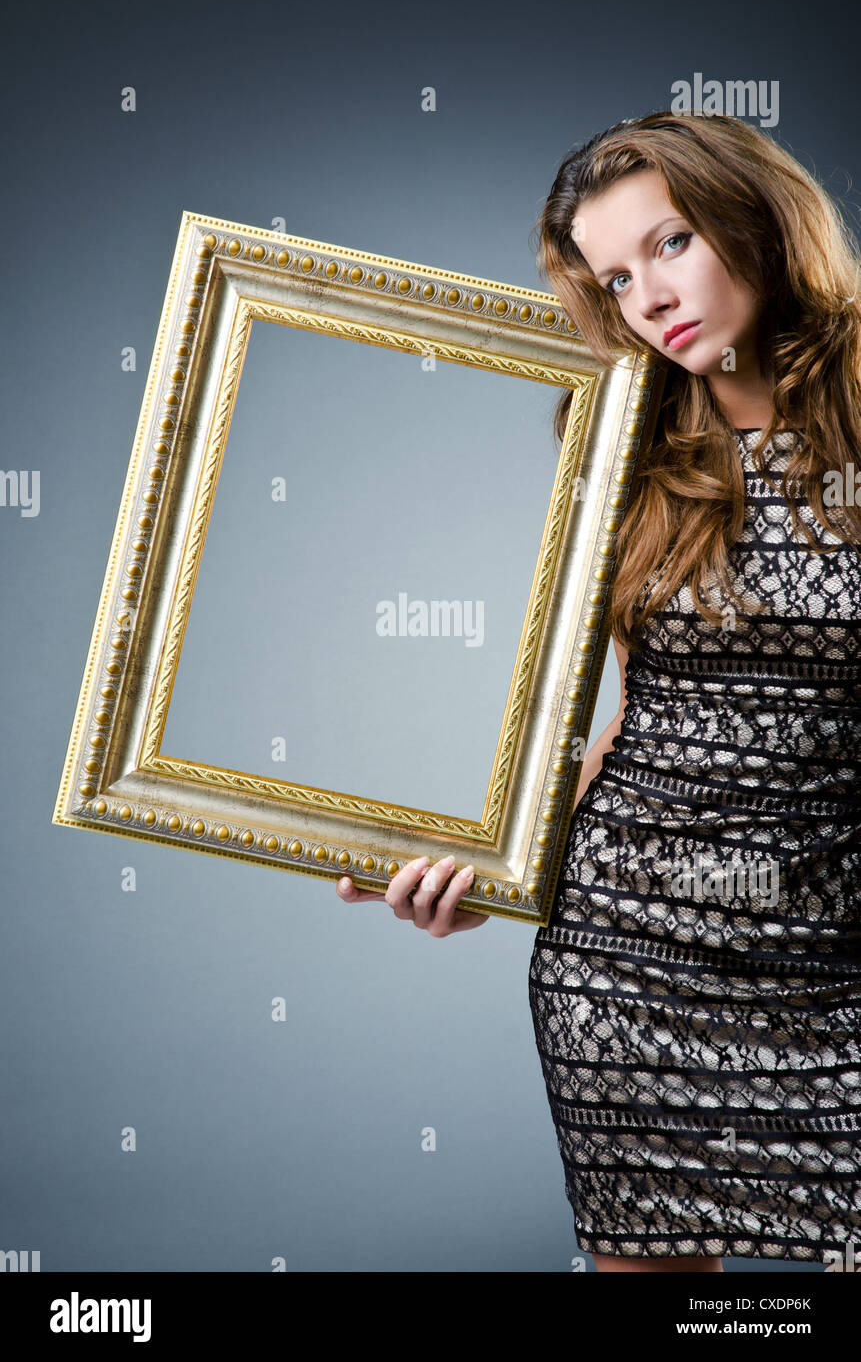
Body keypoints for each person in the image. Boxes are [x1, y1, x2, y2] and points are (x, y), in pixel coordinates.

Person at [336, 110, 861, 1273]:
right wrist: (506, 864)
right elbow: (646, 717)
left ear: (758, 219)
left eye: (670, 244)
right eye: (616, 276)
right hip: (626, 956)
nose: (650, 296)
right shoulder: (626, 439)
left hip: (838, 949)